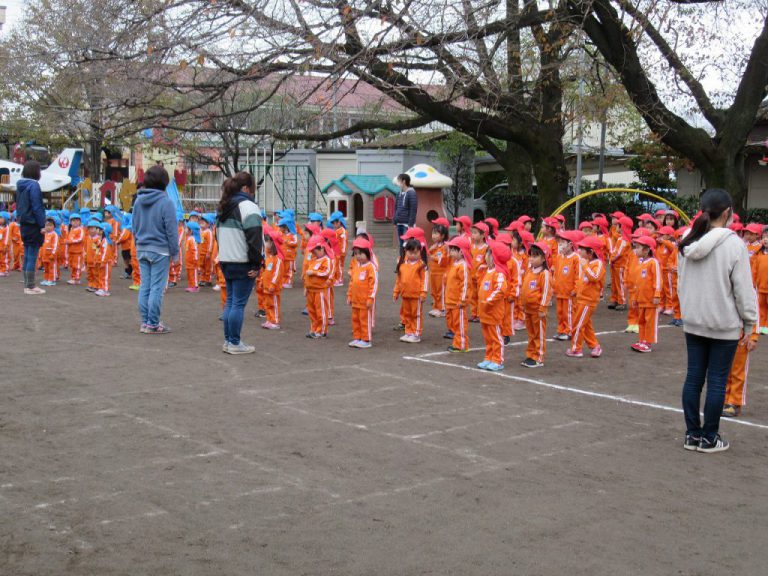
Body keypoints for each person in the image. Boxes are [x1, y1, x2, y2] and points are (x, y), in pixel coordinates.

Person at [678, 188, 758, 454]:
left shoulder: (686, 240)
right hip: (723, 324)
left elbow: (681, 284)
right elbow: (744, 290)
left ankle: (692, 434)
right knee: (716, 381)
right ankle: (709, 437)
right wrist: (750, 323)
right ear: (727, 213)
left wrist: (687, 310)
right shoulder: (734, 244)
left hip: (694, 320)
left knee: (693, 379)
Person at [216, 172, 263, 353]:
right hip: (242, 261)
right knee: (237, 304)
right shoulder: (248, 207)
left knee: (230, 302)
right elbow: (254, 238)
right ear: (246, 189)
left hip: (226, 259)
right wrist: (256, 264)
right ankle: (235, 342)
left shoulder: (223, 206)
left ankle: (229, 341)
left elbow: (217, 235)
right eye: (253, 189)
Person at [133, 165, 180, 334]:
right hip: (160, 250)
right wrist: (175, 253)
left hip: (142, 248)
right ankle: (153, 323)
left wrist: (138, 243)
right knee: (156, 288)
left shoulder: (138, 200)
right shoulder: (166, 202)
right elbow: (171, 230)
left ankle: (145, 321)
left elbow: (134, 225)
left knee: (145, 286)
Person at [567, 236, 605, 359]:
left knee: (577, 324)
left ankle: (576, 349)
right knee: (586, 325)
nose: (579, 251)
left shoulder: (597, 264)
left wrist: (585, 266)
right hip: (582, 299)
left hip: (588, 301)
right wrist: (576, 291)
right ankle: (595, 346)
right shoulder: (588, 263)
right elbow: (582, 281)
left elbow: (594, 277)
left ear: (591, 252)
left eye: (582, 249)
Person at [476, 240, 510, 371]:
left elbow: (501, 289)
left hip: (493, 312)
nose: (485, 257)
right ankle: (489, 357)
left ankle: (498, 360)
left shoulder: (499, 273)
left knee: (496, 337)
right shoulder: (488, 271)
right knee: (488, 337)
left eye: (488, 254)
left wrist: (488, 300)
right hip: (485, 312)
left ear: (494, 257)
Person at [15, 161, 47, 294]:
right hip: (33, 224)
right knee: (32, 254)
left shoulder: (20, 185)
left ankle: (27, 284)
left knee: (27, 254)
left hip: (24, 223)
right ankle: (31, 286)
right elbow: (37, 206)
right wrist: (42, 224)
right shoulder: (34, 185)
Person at [520, 242, 553, 368]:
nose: (532, 259)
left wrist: (542, 307)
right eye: (531, 256)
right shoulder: (530, 271)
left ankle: (538, 357)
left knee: (539, 334)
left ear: (544, 258)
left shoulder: (544, 274)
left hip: (538, 310)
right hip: (528, 309)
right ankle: (531, 354)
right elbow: (524, 289)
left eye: (535, 256)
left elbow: (546, 292)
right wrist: (522, 303)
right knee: (531, 333)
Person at [629, 235, 661, 353]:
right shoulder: (640, 263)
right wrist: (635, 298)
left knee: (650, 322)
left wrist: (657, 294)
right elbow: (637, 283)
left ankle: (648, 342)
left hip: (651, 300)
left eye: (638, 247)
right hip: (641, 300)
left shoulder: (653, 262)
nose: (635, 250)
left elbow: (657, 280)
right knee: (641, 321)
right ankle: (642, 340)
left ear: (647, 250)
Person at [394, 238, 428, 343]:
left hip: (416, 296)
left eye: (415, 252)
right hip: (405, 295)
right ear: (406, 252)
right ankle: (409, 332)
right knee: (407, 315)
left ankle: (416, 333)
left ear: (420, 252)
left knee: (416, 315)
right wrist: (396, 292)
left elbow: (425, 281)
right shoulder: (402, 265)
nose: (413, 255)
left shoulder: (421, 265)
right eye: (410, 252)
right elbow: (399, 280)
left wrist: (423, 293)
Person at [347, 237, 378, 348]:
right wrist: (349, 295)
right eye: (356, 254)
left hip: (365, 301)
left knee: (364, 321)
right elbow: (352, 282)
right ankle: (357, 337)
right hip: (356, 300)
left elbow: (373, 284)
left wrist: (370, 298)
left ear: (367, 253)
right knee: (356, 320)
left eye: (360, 253)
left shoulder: (371, 267)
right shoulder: (356, 266)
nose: (358, 256)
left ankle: (366, 339)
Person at [444, 235, 472, 352]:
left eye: (453, 250)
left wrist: (462, 300)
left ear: (461, 252)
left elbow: (465, 285)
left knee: (460, 324)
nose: (450, 252)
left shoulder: (463, 266)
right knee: (453, 324)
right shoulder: (454, 264)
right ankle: (457, 342)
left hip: (457, 302)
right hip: (450, 300)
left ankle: (461, 344)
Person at [393, 173, 417, 253]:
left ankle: (408, 259)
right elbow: (396, 208)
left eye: (399, 181)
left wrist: (410, 224)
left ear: (403, 181)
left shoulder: (411, 193)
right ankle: (401, 260)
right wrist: (395, 221)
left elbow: (413, 210)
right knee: (401, 244)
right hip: (399, 222)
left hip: (407, 224)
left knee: (407, 244)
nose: (398, 183)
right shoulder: (399, 193)